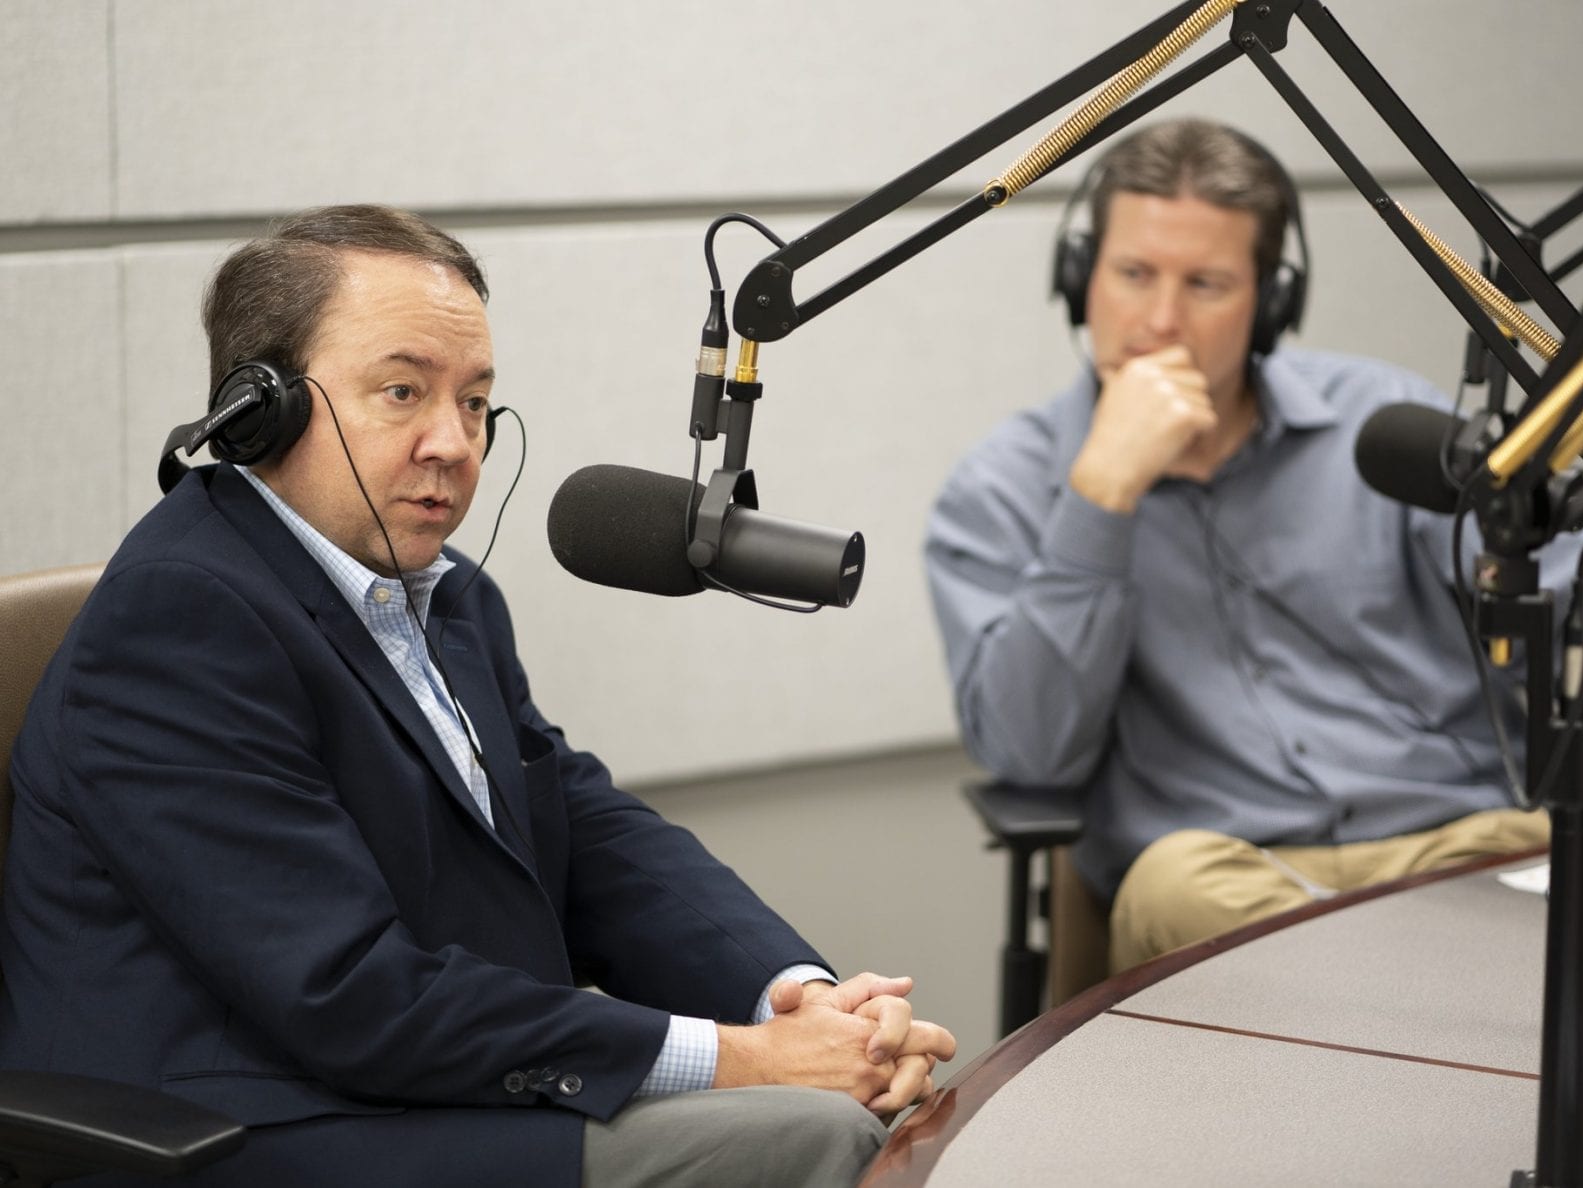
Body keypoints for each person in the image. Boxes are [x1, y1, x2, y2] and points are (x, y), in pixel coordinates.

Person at [0, 205, 953, 1187]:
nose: (453, 443)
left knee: (857, 1095)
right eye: (403, 391)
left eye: (474, 402)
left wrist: (792, 999)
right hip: (235, 1125)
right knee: (811, 1133)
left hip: (401, 1086)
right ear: (261, 408)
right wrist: (745, 1061)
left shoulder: (445, 595)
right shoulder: (180, 620)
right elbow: (347, 993)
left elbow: (583, 834)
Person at [924, 118, 1583, 973]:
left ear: (1270, 303)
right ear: (1080, 280)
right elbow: (1028, 752)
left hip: (1449, 851)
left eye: (1207, 284)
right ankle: (1382, 988)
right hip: (1229, 875)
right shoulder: (1002, 487)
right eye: (1134, 275)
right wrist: (1100, 500)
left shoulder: (1382, 431)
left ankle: (1373, 990)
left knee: (1522, 847)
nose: (1160, 321)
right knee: (1176, 885)